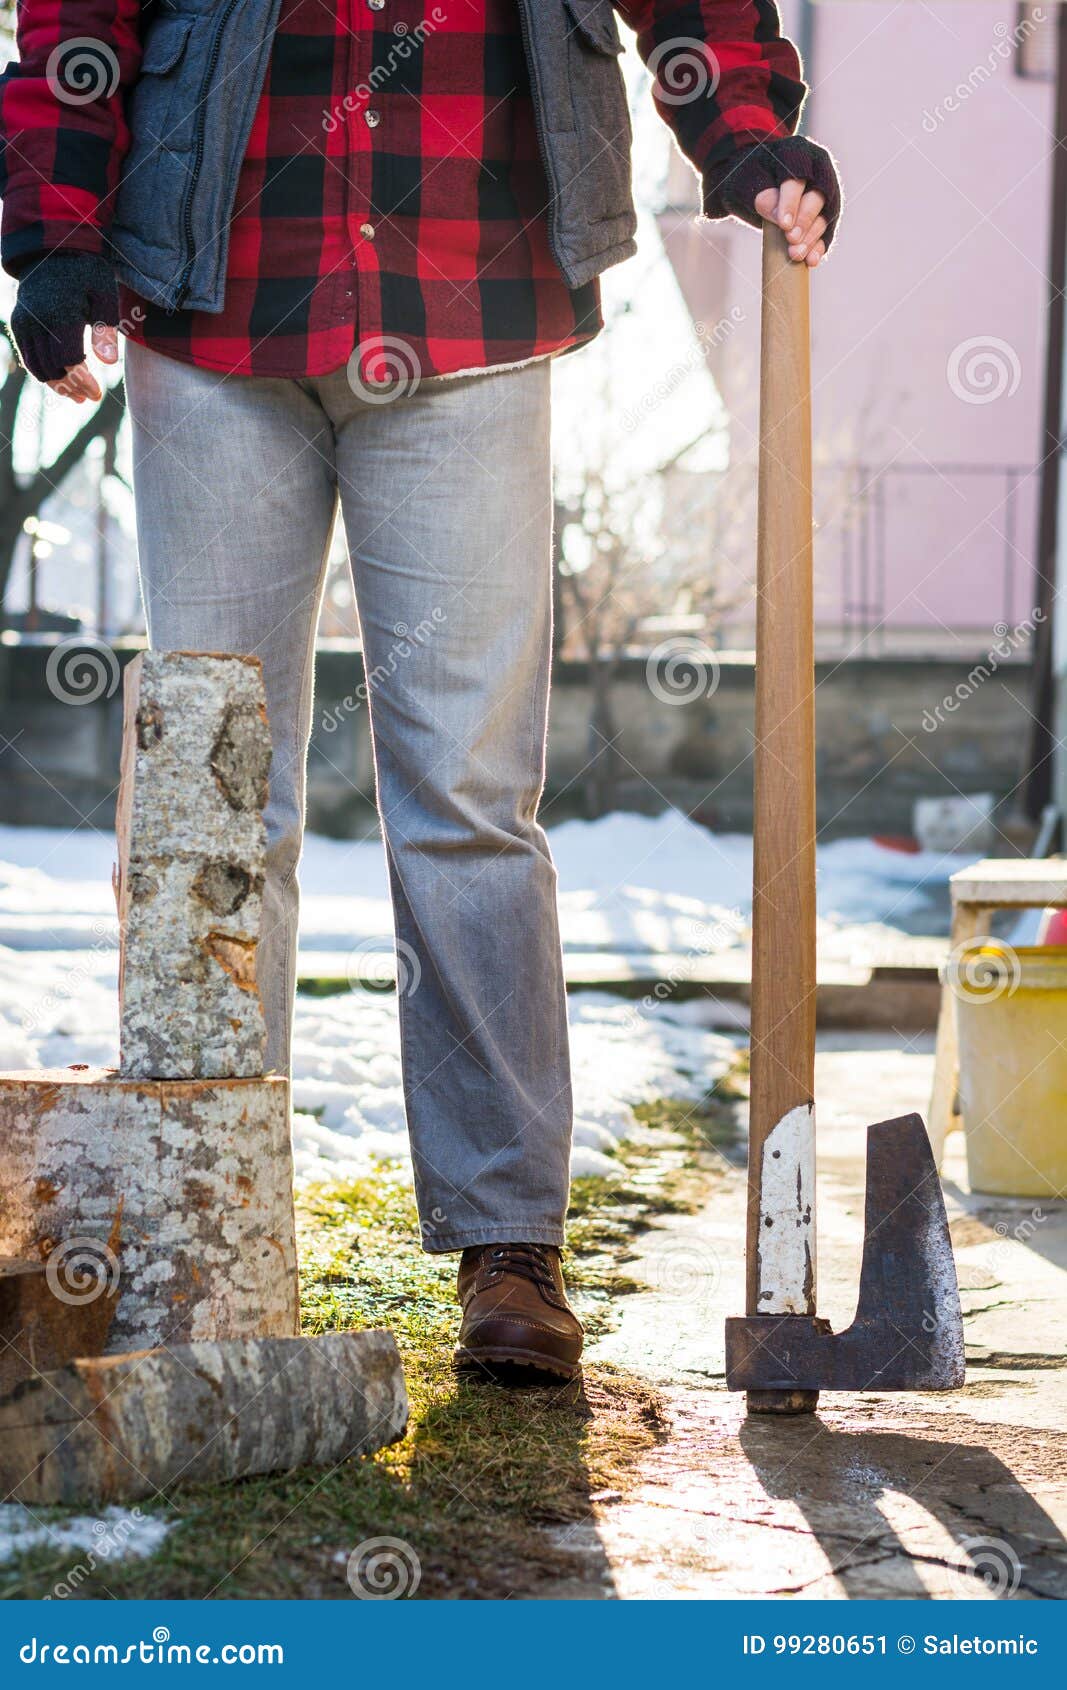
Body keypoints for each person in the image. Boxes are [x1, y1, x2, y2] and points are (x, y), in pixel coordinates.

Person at [1, 1, 840, 1384]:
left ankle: (509, 1244)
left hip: (476, 287)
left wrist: (740, 128)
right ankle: (203, 1232)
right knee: (210, 804)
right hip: (213, 293)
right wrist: (59, 226)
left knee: (466, 791)